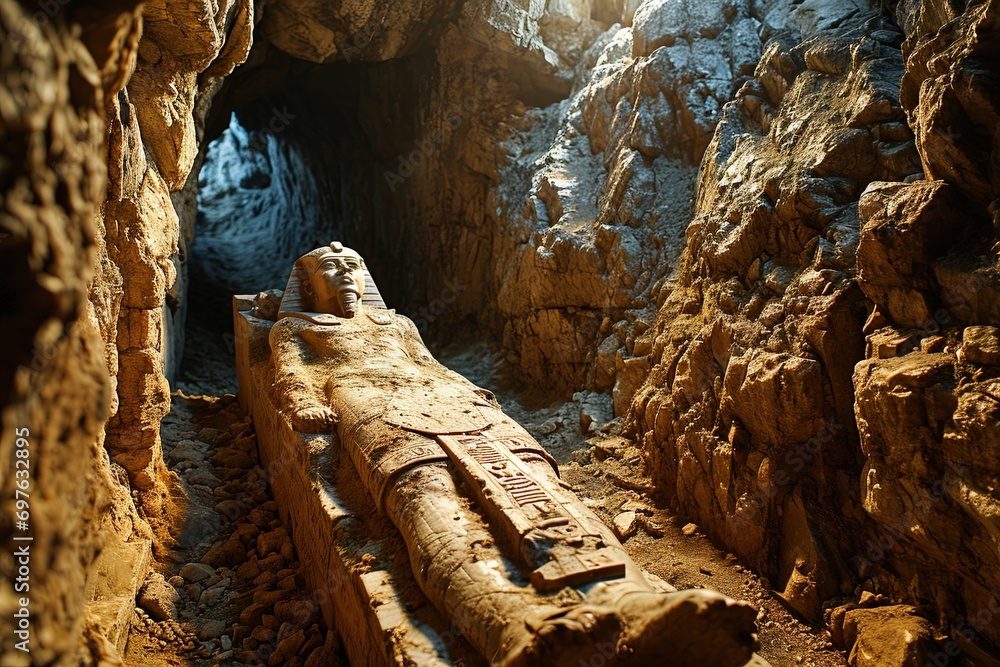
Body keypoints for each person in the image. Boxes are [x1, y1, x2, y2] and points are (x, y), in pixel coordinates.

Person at [267, 242, 758, 666]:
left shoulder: (397, 324)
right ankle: (516, 628)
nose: (347, 274)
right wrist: (305, 402)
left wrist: (476, 394)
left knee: (544, 492)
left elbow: (432, 366)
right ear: (307, 287)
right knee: (430, 503)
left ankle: (630, 601)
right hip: (373, 407)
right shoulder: (294, 329)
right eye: (331, 268)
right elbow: (292, 376)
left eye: (353, 265)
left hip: (451, 402)